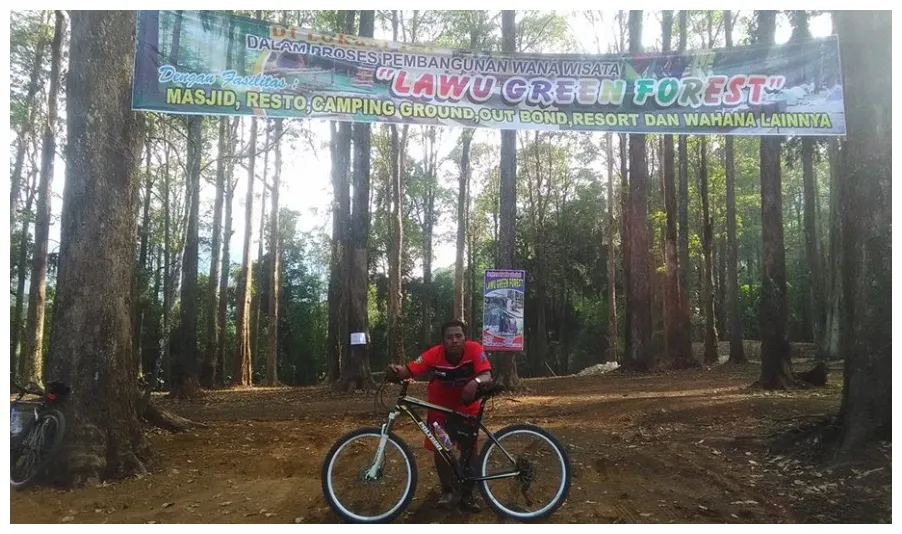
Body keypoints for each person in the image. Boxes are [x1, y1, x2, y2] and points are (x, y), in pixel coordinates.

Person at [386, 319, 492, 512]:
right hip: (439, 408)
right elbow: (409, 370)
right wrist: (395, 371)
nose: (454, 340)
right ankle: (448, 490)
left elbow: (486, 375)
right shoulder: (434, 354)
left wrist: (474, 382)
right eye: (449, 337)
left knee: (469, 448)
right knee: (442, 448)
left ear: (465, 338)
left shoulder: (475, 349)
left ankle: (468, 494)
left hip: (467, 407)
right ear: (443, 340)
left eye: (458, 336)